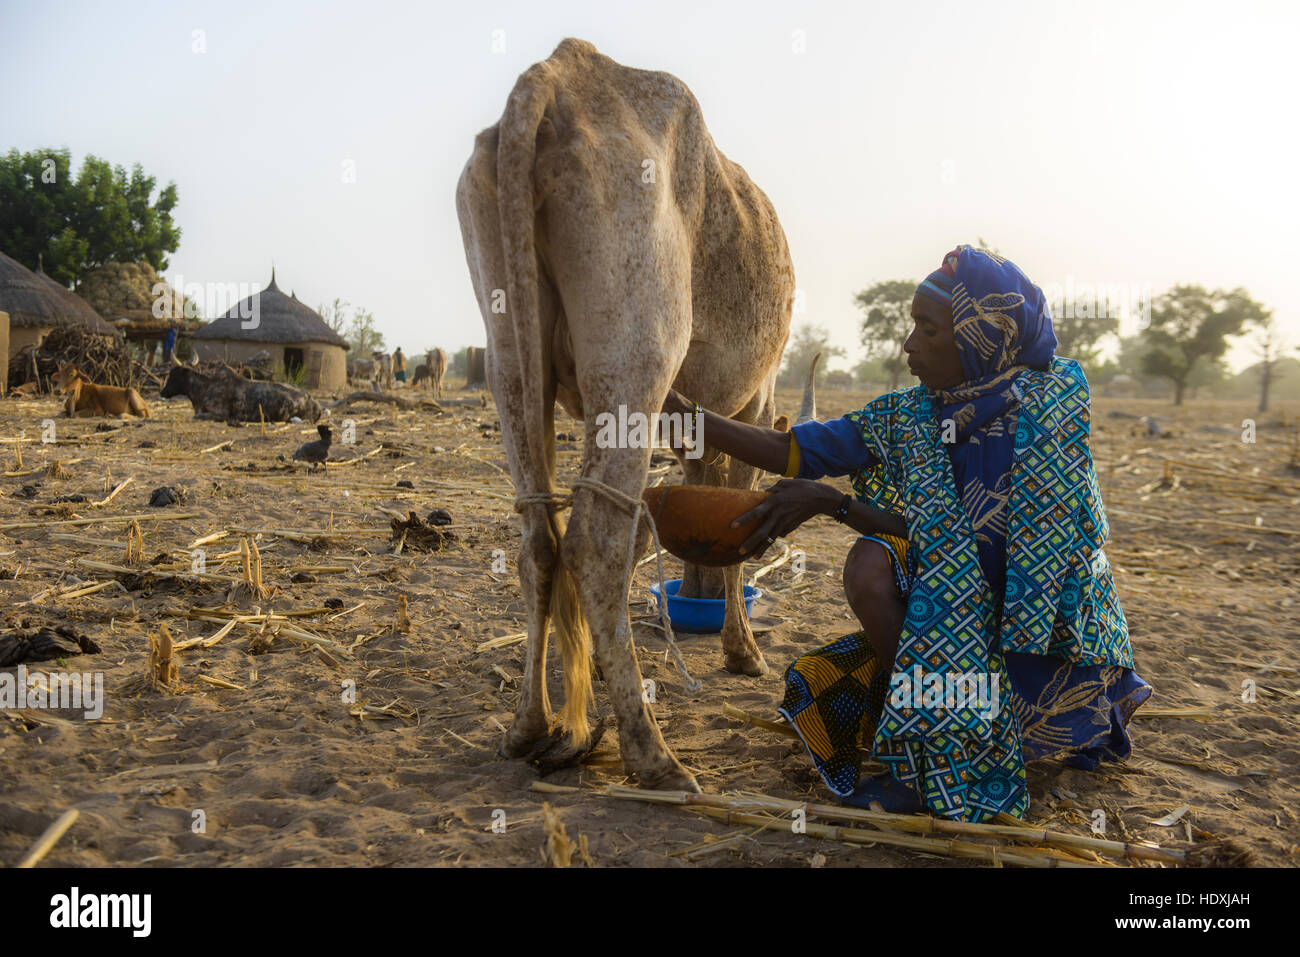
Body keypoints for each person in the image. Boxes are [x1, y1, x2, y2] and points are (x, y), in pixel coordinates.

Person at [662, 245, 1150, 822]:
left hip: (1038, 620)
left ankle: (956, 740)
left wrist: (834, 504)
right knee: (871, 563)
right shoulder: (910, 414)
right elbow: (789, 451)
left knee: (944, 583)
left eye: (928, 330)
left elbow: (988, 548)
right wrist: (675, 408)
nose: (909, 344)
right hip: (958, 595)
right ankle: (924, 717)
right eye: (911, 326)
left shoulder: (1048, 410)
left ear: (980, 338)